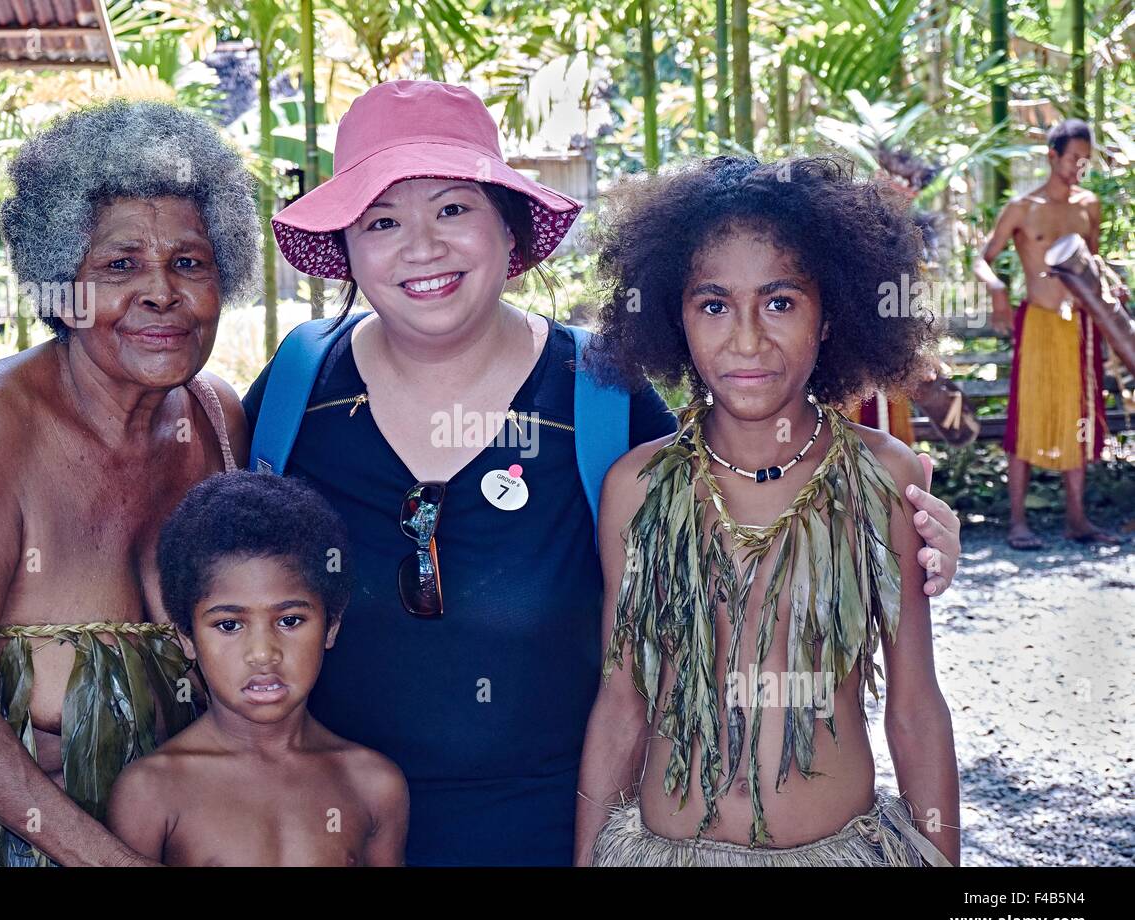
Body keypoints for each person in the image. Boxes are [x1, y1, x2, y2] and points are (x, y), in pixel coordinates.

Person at [242, 79, 965, 865]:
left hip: (551, 836)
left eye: (453, 209)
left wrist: (918, 533)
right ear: (347, 245)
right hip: (334, 838)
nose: (422, 246)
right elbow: (205, 565)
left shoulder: (606, 403)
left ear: (507, 229)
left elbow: (750, 525)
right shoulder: (293, 393)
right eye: (382, 221)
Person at [0, 99, 258, 866]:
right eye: (119, 266)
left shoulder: (216, 418)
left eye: (189, 263)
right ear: (61, 283)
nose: (161, 293)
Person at [575, 156, 960, 867]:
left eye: (780, 302)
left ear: (831, 315)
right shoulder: (637, 486)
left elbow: (914, 708)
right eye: (713, 305)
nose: (747, 340)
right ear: (674, 316)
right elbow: (621, 704)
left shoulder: (884, 478)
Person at [107, 471, 408, 865]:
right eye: (229, 625)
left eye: (290, 621)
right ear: (186, 637)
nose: (263, 654)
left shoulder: (373, 785)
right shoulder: (152, 793)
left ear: (331, 625)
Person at [975, 119, 1127, 549]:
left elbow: (1091, 265)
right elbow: (982, 258)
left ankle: (1077, 519)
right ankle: (1018, 523)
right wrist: (998, 289)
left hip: (1079, 326)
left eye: (1085, 159)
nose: (1079, 165)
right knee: (1027, 414)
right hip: (1038, 321)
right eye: (1073, 157)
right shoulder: (1024, 207)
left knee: (1078, 415)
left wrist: (1110, 285)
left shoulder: (1089, 206)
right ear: (1052, 156)